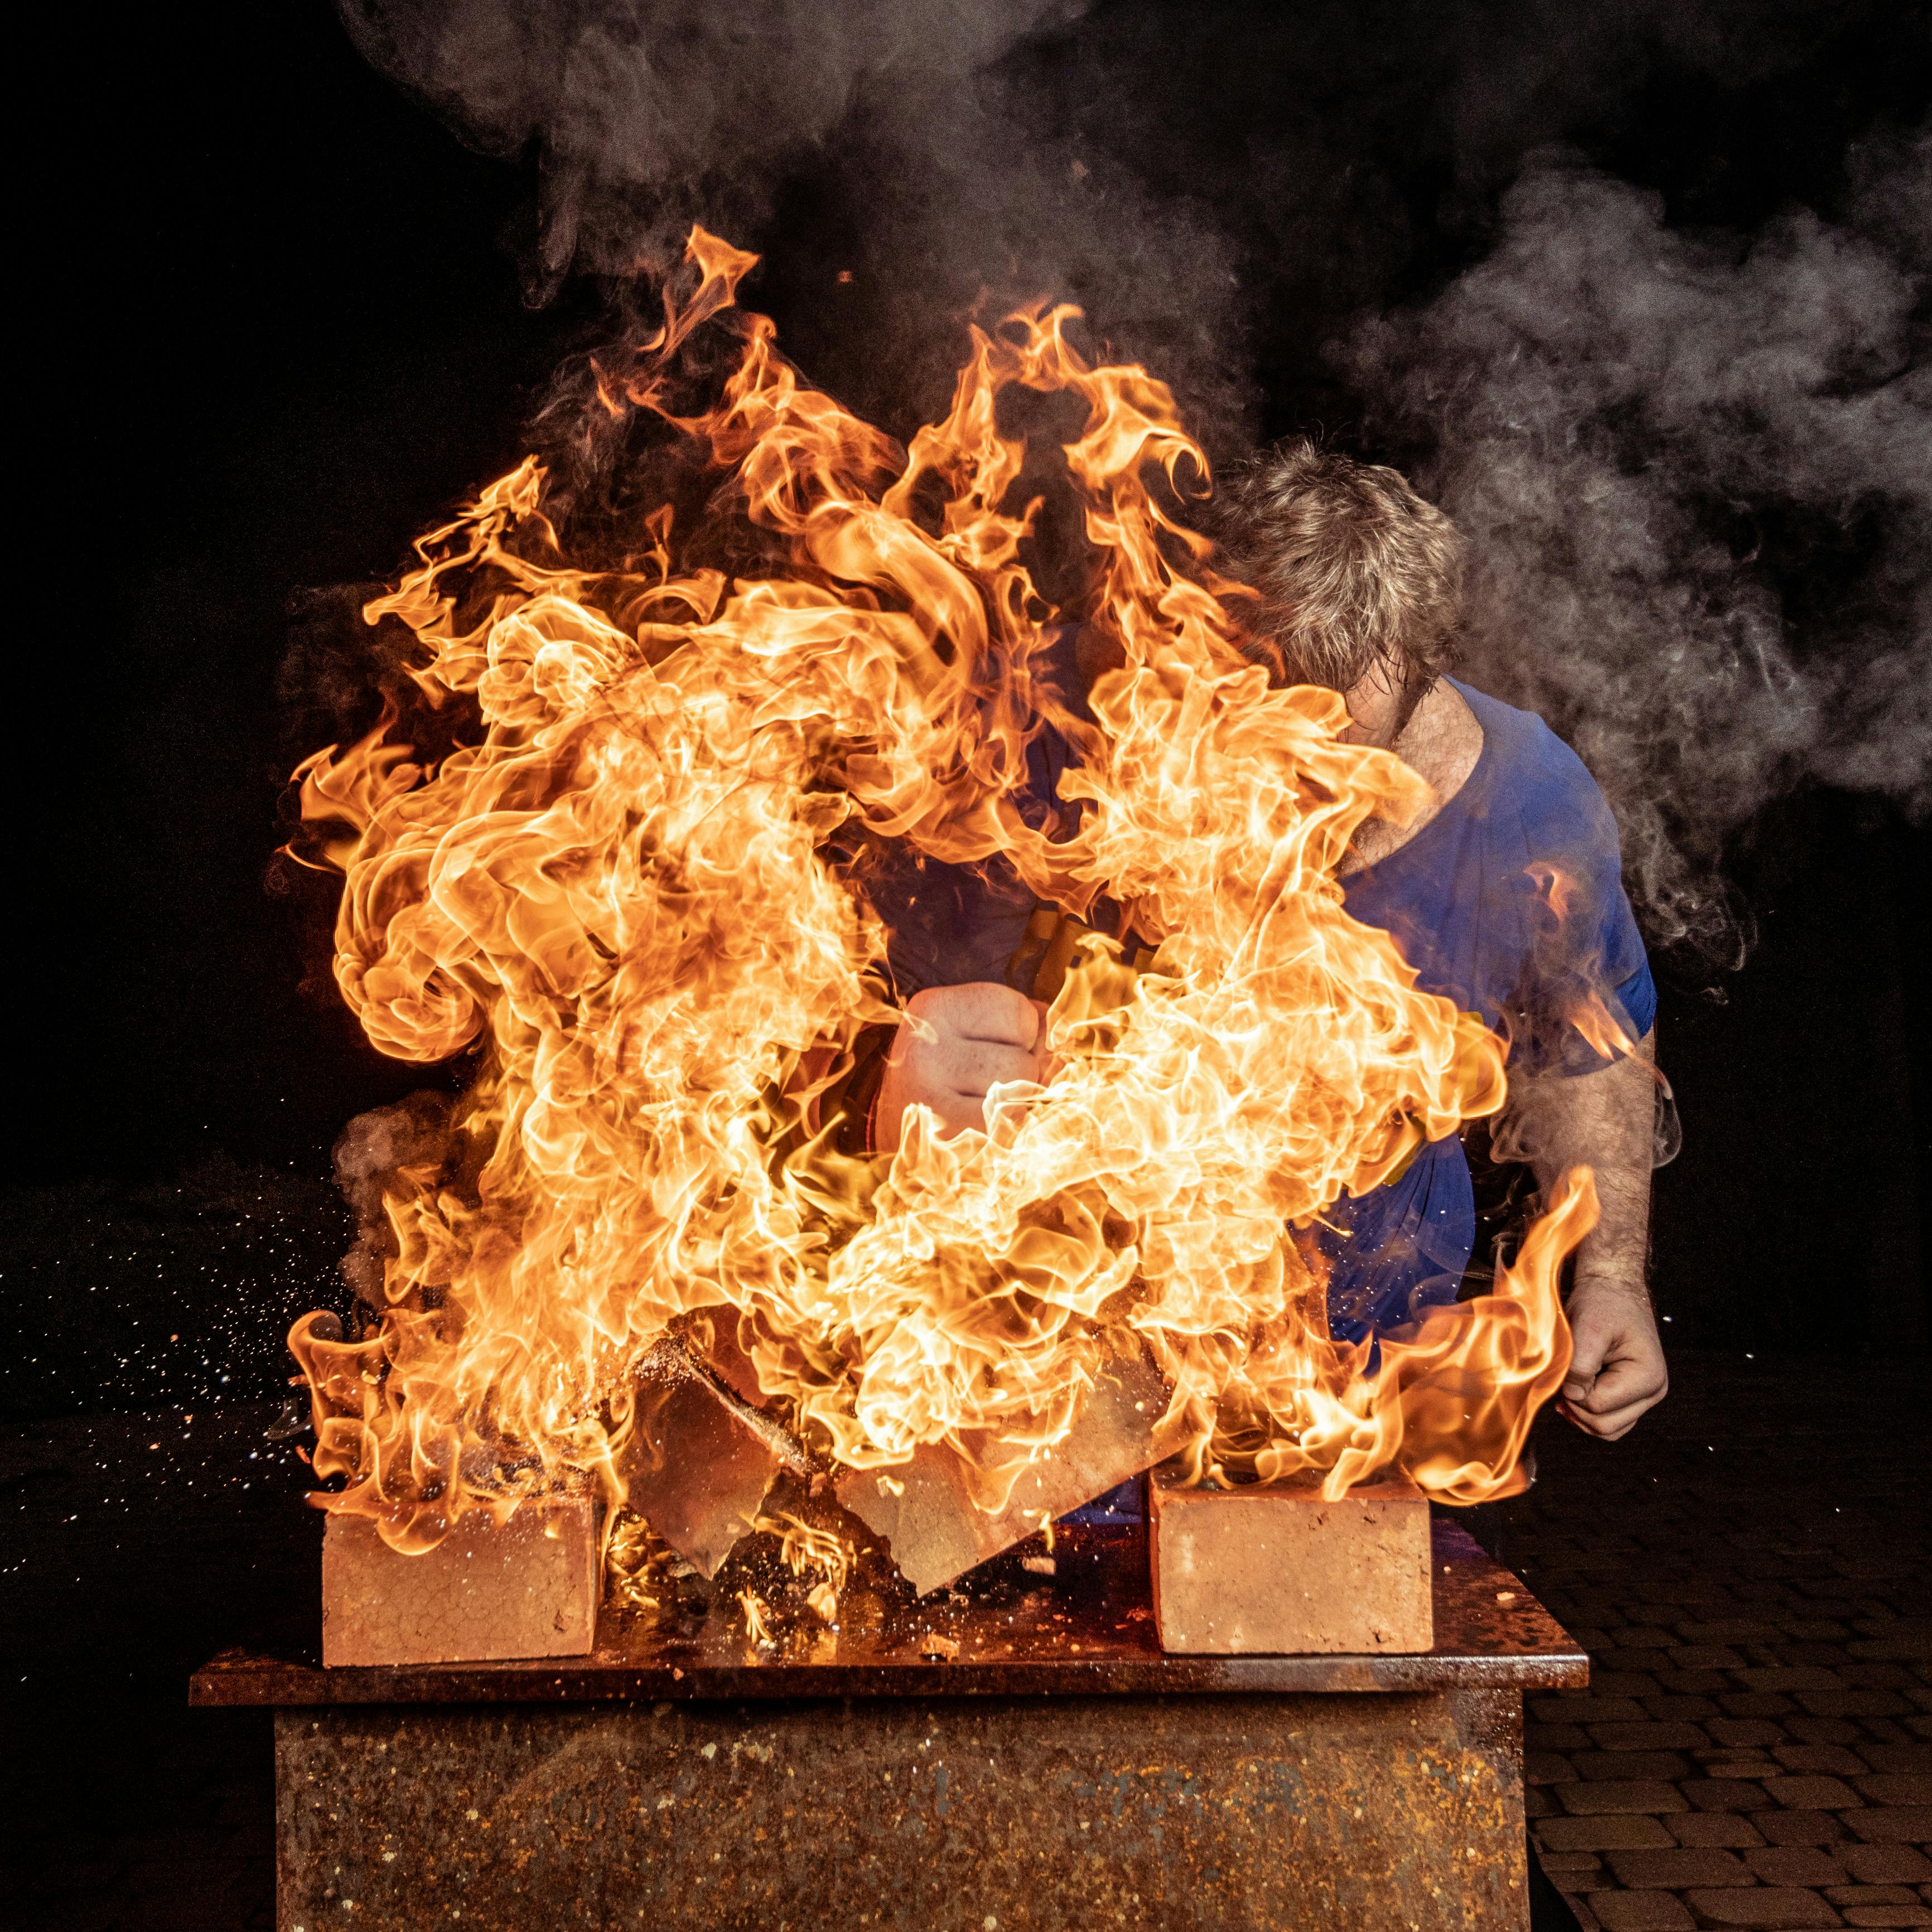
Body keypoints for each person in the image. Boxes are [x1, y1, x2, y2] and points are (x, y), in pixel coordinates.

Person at [862, 439, 1669, 1445]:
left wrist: (1613, 1276)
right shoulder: (1033, 723)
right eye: (1256, 742)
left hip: (1362, 1381)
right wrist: (893, 1084)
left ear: (1420, 680)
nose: (1293, 799)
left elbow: (1591, 1044)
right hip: (1050, 1367)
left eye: (1337, 760)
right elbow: (813, 989)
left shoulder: (1532, 810)